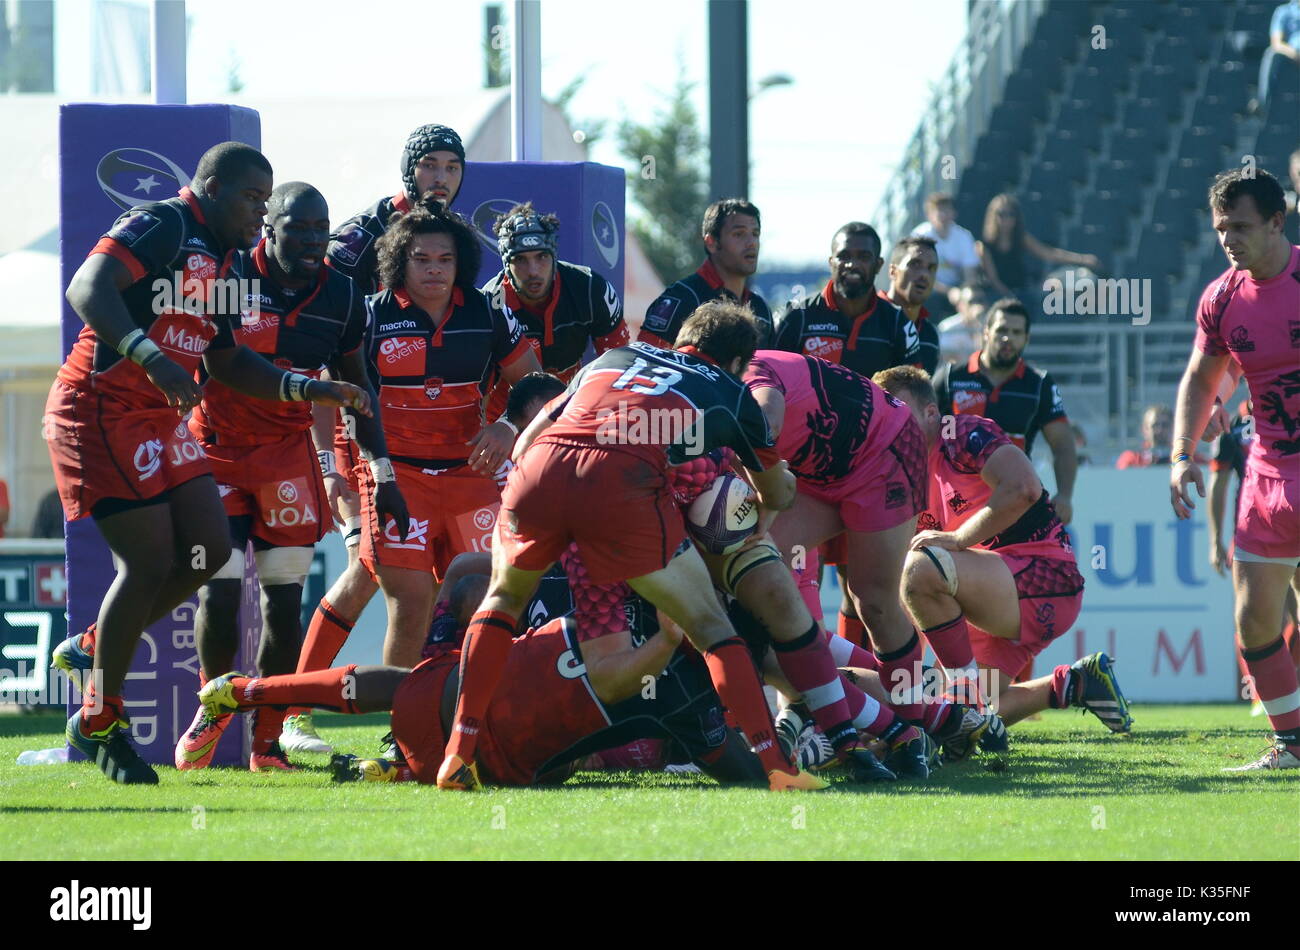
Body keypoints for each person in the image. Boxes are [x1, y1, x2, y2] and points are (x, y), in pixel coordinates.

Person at [46, 142, 369, 784]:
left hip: (156, 417)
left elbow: (228, 362)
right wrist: (149, 353)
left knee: (203, 551)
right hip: (98, 404)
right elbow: (87, 286)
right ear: (212, 187)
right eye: (252, 197)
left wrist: (311, 389)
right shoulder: (166, 221)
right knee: (148, 564)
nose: (259, 211)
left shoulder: (229, 265)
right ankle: (100, 717)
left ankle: (93, 645)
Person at [441, 302, 825, 792]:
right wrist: (761, 494)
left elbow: (524, 443)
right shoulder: (731, 393)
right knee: (709, 624)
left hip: (540, 468)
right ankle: (777, 768)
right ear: (737, 363)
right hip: (620, 482)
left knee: (501, 601)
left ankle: (458, 753)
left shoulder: (612, 358)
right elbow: (778, 494)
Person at [172, 182, 408, 771]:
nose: (310, 241)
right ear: (267, 227)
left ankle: (266, 743)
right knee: (220, 591)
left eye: (320, 229)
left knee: (283, 604)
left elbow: (361, 392)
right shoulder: (228, 278)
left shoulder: (345, 297)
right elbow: (223, 362)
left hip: (285, 458)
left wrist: (383, 473)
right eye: (297, 228)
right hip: (216, 451)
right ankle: (213, 699)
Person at [298, 125, 468, 738]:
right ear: (408, 172)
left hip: (428, 441)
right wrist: (330, 461)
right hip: (361, 419)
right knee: (370, 571)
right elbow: (325, 333)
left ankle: (410, 715)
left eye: (452, 166)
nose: (441, 178)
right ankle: (295, 711)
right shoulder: (361, 233)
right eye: (430, 166)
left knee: (386, 574)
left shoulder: (456, 237)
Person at [875, 366, 1131, 736]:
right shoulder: (899, 466)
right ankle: (1073, 683)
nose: (888, 423)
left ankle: (962, 692)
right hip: (990, 590)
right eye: (882, 414)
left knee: (919, 570)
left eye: (897, 411)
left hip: (1042, 578)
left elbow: (1023, 487)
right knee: (954, 723)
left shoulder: (960, 432)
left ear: (931, 413)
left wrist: (959, 538)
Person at [358, 203, 541, 685]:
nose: (435, 269)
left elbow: (535, 386)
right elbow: (331, 396)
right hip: (398, 477)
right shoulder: (370, 316)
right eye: (422, 259)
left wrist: (506, 425)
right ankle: (397, 736)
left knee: (486, 594)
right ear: (400, 261)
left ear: (461, 264)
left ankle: (482, 719)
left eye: (445, 259)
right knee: (412, 599)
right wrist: (336, 466)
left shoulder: (487, 312)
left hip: (470, 476)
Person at [1170, 167, 1300, 771]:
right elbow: (1201, 379)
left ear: (1278, 221)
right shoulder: (1222, 298)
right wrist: (1182, 453)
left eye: (1241, 227)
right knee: (1253, 622)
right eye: (1222, 229)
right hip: (1266, 474)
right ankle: (1293, 747)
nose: (1229, 239)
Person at [741, 349, 934, 726]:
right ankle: (901, 719)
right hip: (821, 471)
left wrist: (764, 495)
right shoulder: (709, 377)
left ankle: (913, 724)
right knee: (751, 575)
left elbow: (767, 418)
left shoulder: (750, 372)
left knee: (873, 602)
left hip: (885, 451)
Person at [932, 298, 1077, 525]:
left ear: (1026, 339)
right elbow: (922, 434)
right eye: (1001, 330)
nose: (1008, 338)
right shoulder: (950, 378)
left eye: (1016, 332)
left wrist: (1065, 496)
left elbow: (1064, 445)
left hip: (1014, 500)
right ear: (986, 332)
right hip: (956, 501)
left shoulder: (1039, 384)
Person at [480, 202, 630, 421]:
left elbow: (620, 367)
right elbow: (478, 393)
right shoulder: (490, 304)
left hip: (570, 410)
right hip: (505, 420)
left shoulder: (590, 289)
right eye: (520, 259)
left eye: (541, 256)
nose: (533, 271)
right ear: (505, 264)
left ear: (554, 256)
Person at [771, 222, 919, 377]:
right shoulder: (796, 315)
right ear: (831, 263)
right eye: (844, 256)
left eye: (864, 257)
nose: (852, 265)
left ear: (878, 265)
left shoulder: (898, 323)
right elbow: (771, 379)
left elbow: (912, 393)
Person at [639, 199, 772, 348]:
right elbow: (645, 361)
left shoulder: (761, 310)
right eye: (739, 234)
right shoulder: (682, 298)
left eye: (755, 234)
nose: (751, 242)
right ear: (711, 243)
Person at [976, 194, 1101, 304]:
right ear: (993, 216)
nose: (1006, 219)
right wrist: (1010, 298)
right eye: (1001, 214)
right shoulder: (984, 246)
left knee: (1057, 285)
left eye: (1011, 214)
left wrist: (1082, 259)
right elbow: (994, 280)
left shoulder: (1021, 238)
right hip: (997, 297)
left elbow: (1049, 254)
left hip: (1024, 292)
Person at [912, 192, 980, 319]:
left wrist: (964, 292)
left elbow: (970, 275)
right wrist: (949, 291)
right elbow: (917, 274)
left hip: (958, 288)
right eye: (939, 210)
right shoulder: (920, 236)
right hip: (929, 287)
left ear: (954, 213)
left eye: (947, 210)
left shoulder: (964, 236)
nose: (943, 215)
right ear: (929, 215)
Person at [881, 236, 941, 375]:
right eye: (915, 264)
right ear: (892, 271)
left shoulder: (929, 334)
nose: (924, 275)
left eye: (931, 268)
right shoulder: (866, 317)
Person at [1115, 404, 1210, 469]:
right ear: (1144, 429)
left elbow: (1208, 470)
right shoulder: (1132, 459)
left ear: (1174, 428)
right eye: (1155, 425)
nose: (1160, 430)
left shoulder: (1189, 458)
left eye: (1165, 425)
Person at [1250, 0, 1300, 116]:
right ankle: (1263, 102)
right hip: (1292, 56)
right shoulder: (1283, 11)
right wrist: (1295, 54)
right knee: (1271, 53)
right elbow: (1276, 43)